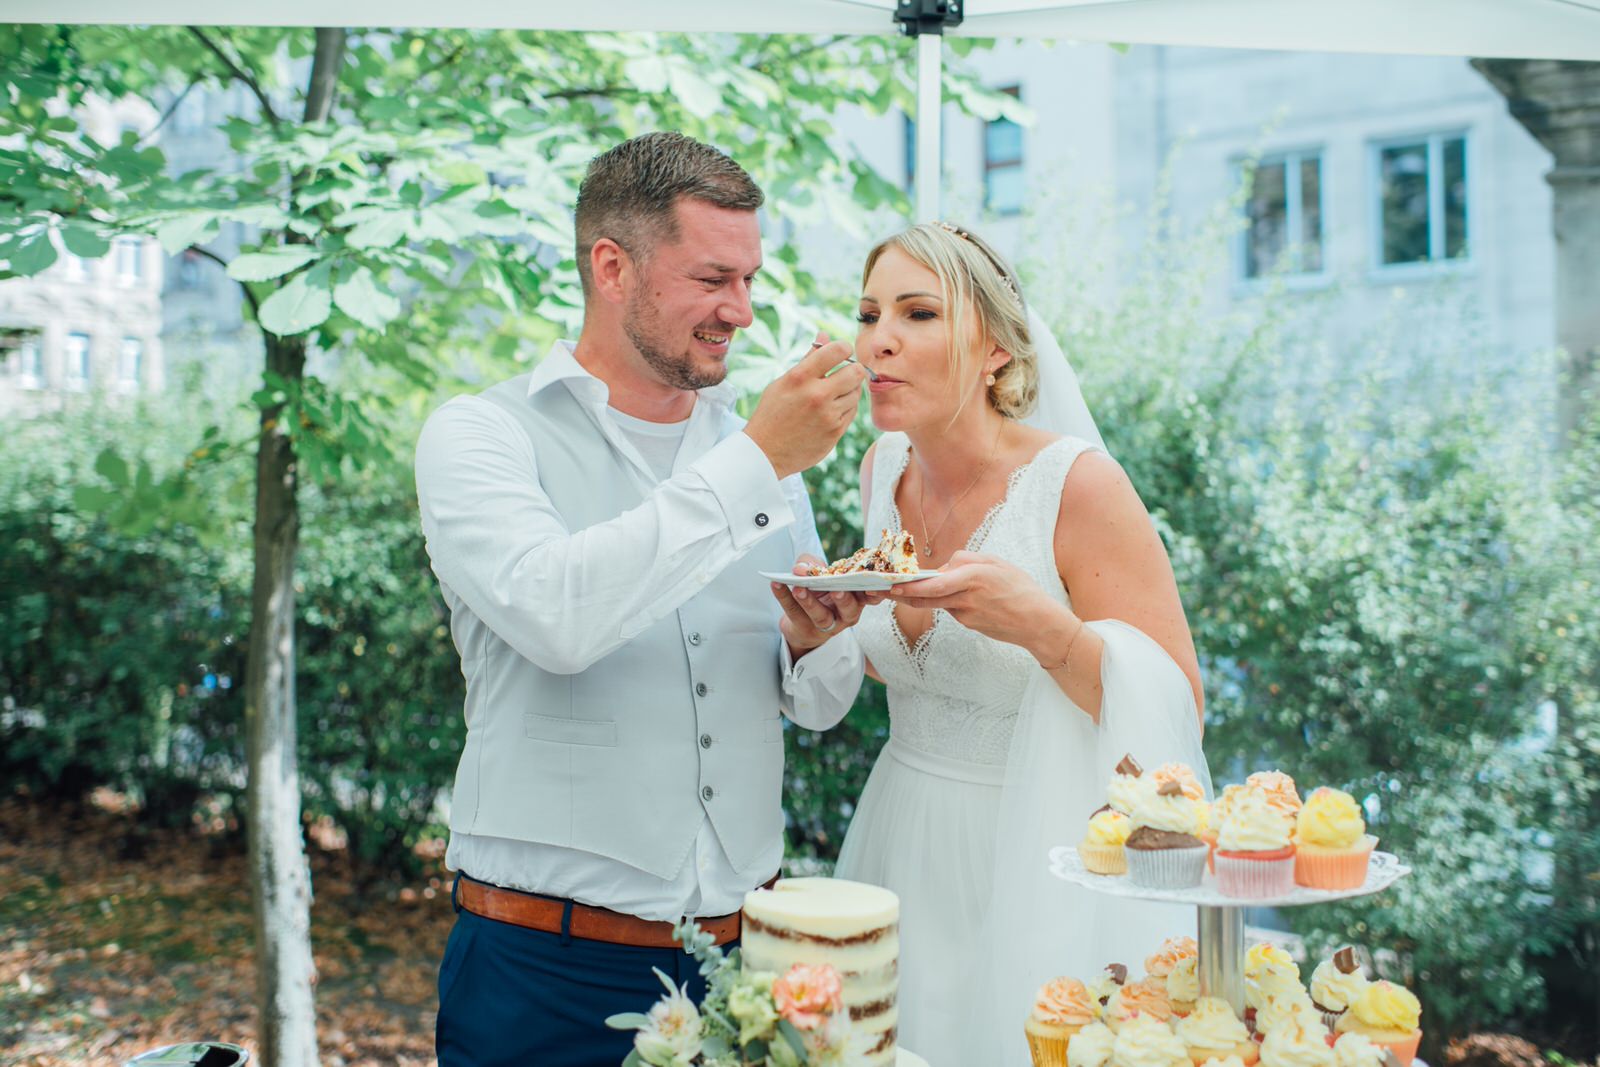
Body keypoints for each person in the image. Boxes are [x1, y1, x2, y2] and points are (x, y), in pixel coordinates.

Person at [414, 131, 869, 1067]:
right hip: (543, 970)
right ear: (612, 267)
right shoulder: (480, 435)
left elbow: (822, 706)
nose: (739, 311)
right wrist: (760, 459)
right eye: (712, 278)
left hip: (745, 968)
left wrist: (816, 641)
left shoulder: (754, 456)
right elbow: (558, 615)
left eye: (748, 280)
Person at [800, 221, 1212, 1064]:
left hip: (1032, 858)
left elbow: (1179, 709)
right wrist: (834, 628)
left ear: (995, 348)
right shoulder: (883, 468)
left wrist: (1046, 630)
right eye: (869, 312)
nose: (877, 339)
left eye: (918, 313)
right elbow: (916, 660)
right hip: (898, 839)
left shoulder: (1078, 484)